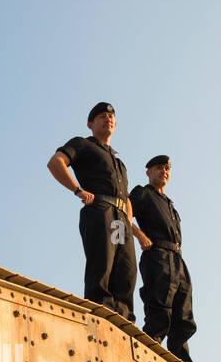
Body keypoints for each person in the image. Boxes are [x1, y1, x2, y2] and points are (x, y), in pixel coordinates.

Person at [47, 102, 150, 320]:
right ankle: (100, 314)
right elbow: (55, 162)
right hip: (101, 211)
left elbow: (126, 199)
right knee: (102, 265)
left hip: (120, 219)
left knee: (126, 271)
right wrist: (78, 190)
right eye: (102, 116)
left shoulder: (118, 161)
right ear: (90, 124)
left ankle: (123, 319)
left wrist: (131, 223)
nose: (108, 119)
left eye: (111, 116)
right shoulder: (83, 144)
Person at [130, 155, 196, 362]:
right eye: (159, 168)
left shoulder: (170, 204)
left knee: (183, 316)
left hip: (178, 260)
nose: (164, 171)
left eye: (167, 169)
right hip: (157, 255)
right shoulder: (143, 193)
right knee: (160, 311)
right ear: (148, 172)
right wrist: (139, 235)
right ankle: (147, 356)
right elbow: (123, 211)